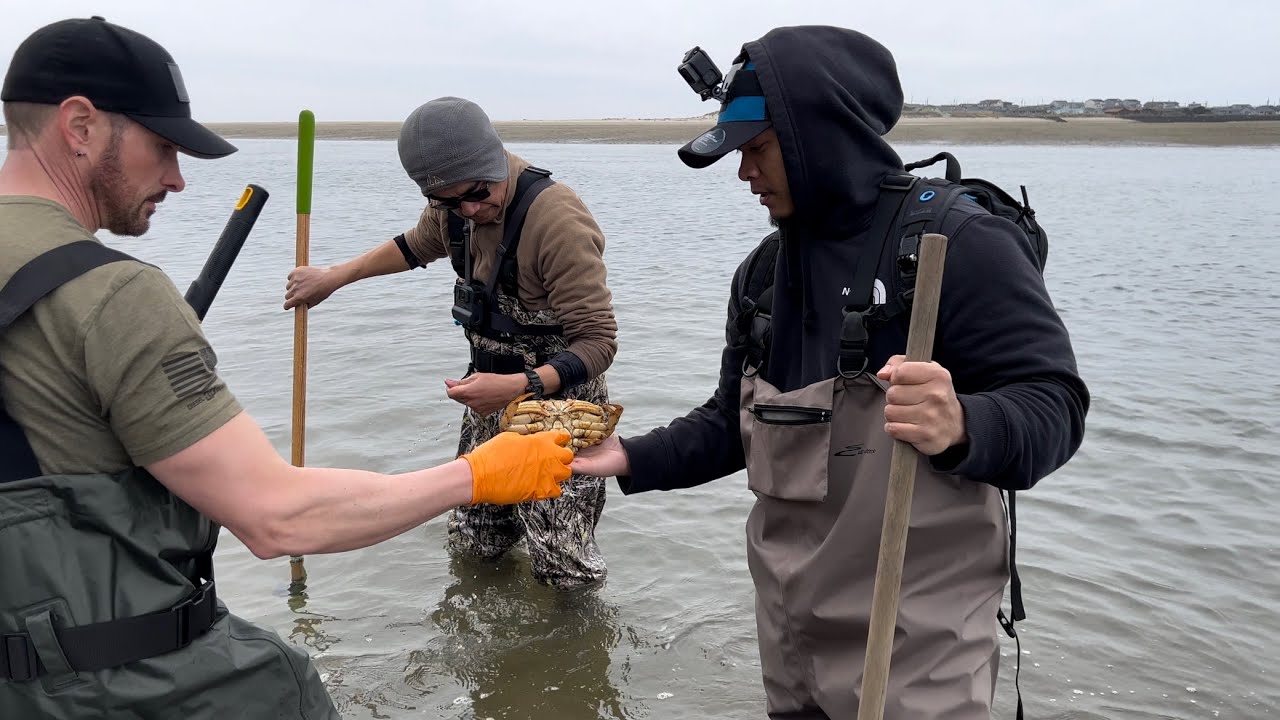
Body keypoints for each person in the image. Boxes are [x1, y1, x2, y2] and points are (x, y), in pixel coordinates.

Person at [0, 17, 575, 720]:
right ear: (80, 125)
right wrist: (478, 476)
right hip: (108, 678)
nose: (179, 179)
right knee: (283, 682)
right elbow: (278, 519)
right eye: (163, 147)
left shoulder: (550, 215)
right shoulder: (112, 293)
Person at [573, 25, 1090, 720]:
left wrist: (966, 423)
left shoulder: (960, 245)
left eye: (757, 149)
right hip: (789, 633)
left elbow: (1055, 406)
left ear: (823, 135)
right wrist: (627, 457)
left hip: (916, 648)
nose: (744, 173)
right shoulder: (761, 275)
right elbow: (732, 426)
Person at [284, 96, 618, 590]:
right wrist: (334, 277)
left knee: (563, 564)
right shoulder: (453, 208)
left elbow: (599, 342)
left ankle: (577, 652)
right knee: (476, 537)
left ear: (495, 160)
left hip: (559, 405)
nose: (469, 209)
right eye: (449, 202)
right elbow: (415, 246)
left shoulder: (557, 221)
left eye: (478, 194)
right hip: (487, 396)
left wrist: (520, 385)